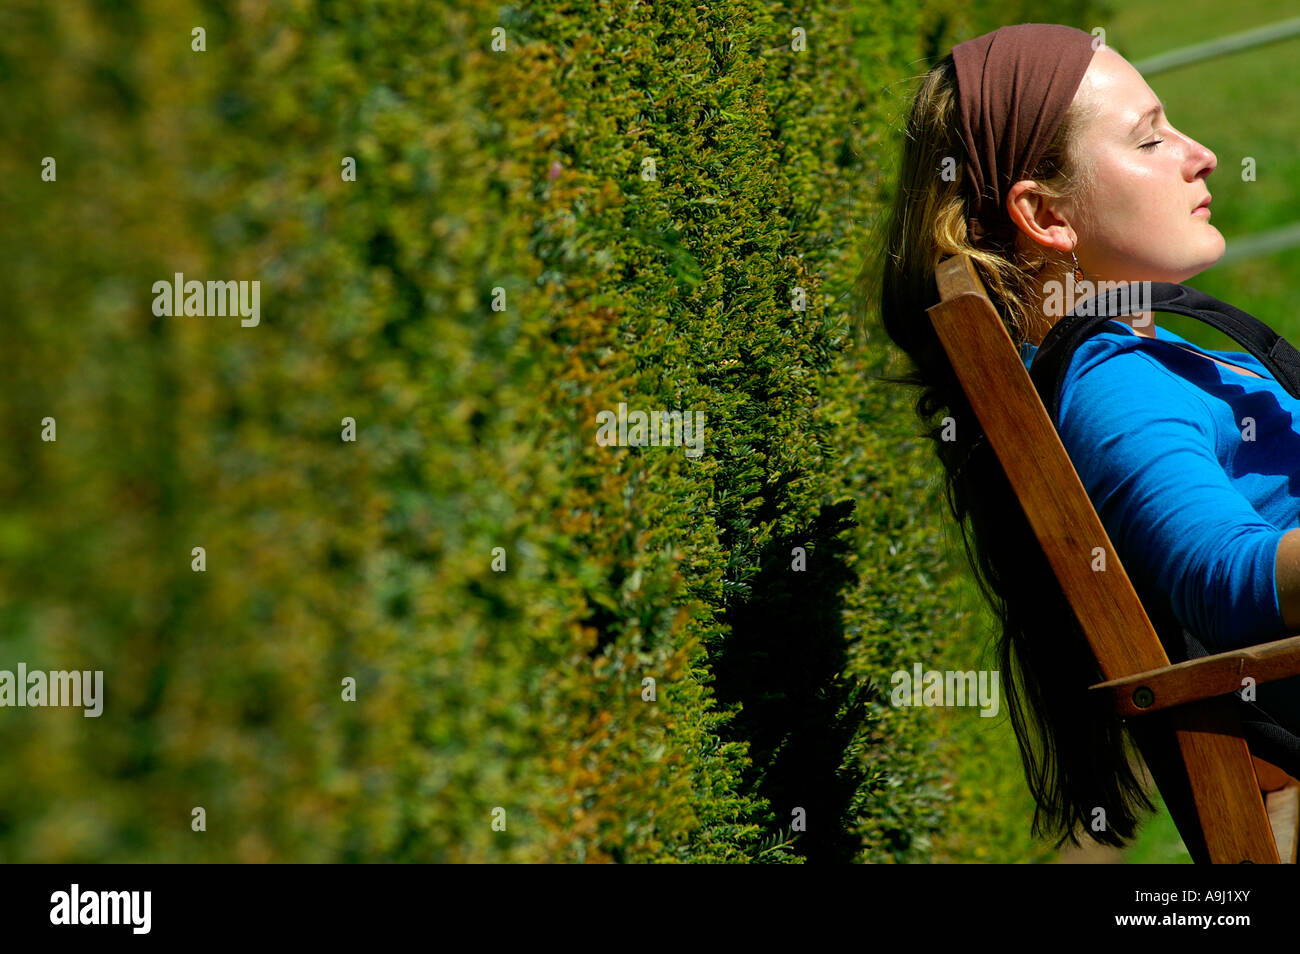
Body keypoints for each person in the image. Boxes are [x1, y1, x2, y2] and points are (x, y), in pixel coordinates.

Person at [861, 22, 1300, 850]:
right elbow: (1224, 576)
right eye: (1150, 138)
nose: (1202, 155)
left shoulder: (1140, 354)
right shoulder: (1114, 386)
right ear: (1045, 214)